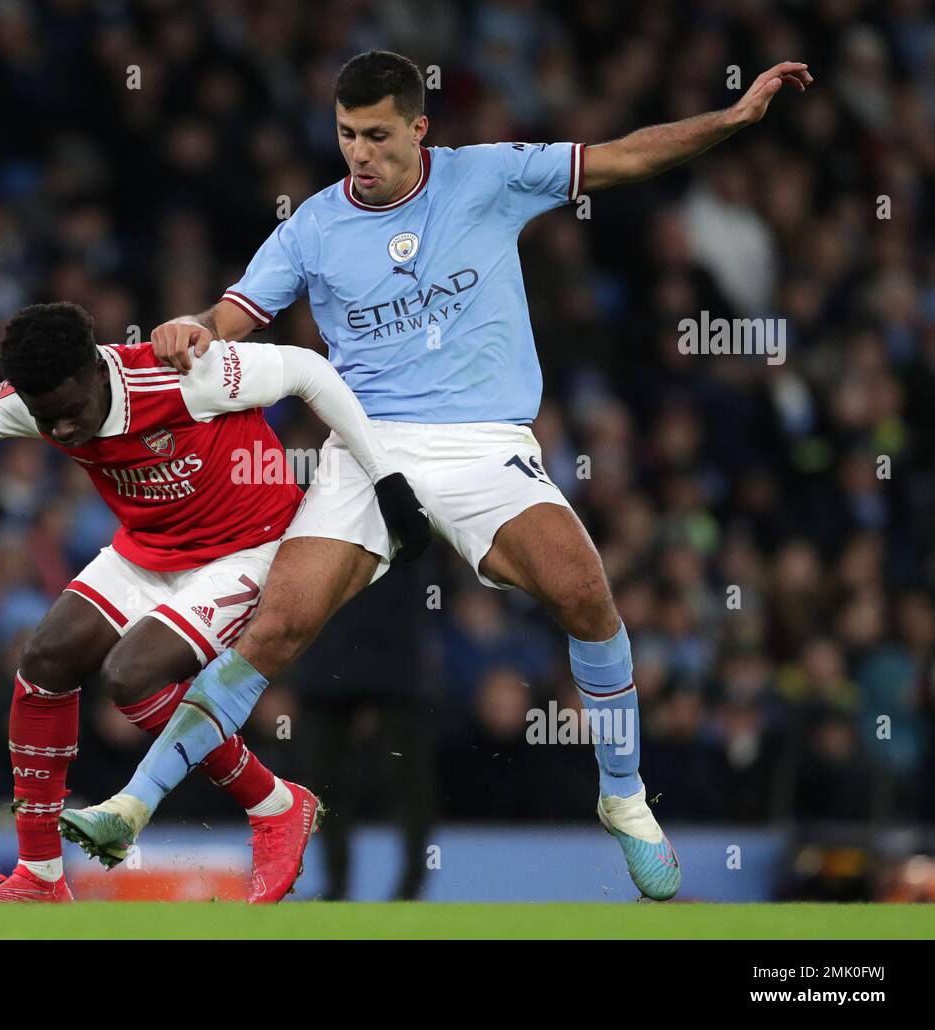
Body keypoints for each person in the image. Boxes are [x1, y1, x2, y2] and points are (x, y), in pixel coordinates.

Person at [63, 50, 813, 902]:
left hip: (483, 443)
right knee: (276, 629)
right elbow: (232, 316)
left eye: (378, 135)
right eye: (347, 135)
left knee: (585, 592)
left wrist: (731, 120)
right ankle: (133, 802)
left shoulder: (488, 178)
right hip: (366, 448)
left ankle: (625, 798)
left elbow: (622, 155)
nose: (360, 153)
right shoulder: (311, 225)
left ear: (419, 129)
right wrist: (189, 329)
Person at [0, 300, 428, 904]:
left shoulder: (183, 374)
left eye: (69, 413)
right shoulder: (35, 401)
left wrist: (386, 478)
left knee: (129, 676)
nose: (59, 431)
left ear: (97, 367)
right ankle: (39, 874)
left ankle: (273, 803)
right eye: (44, 419)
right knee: (45, 660)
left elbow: (308, 370)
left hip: (250, 546)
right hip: (148, 550)